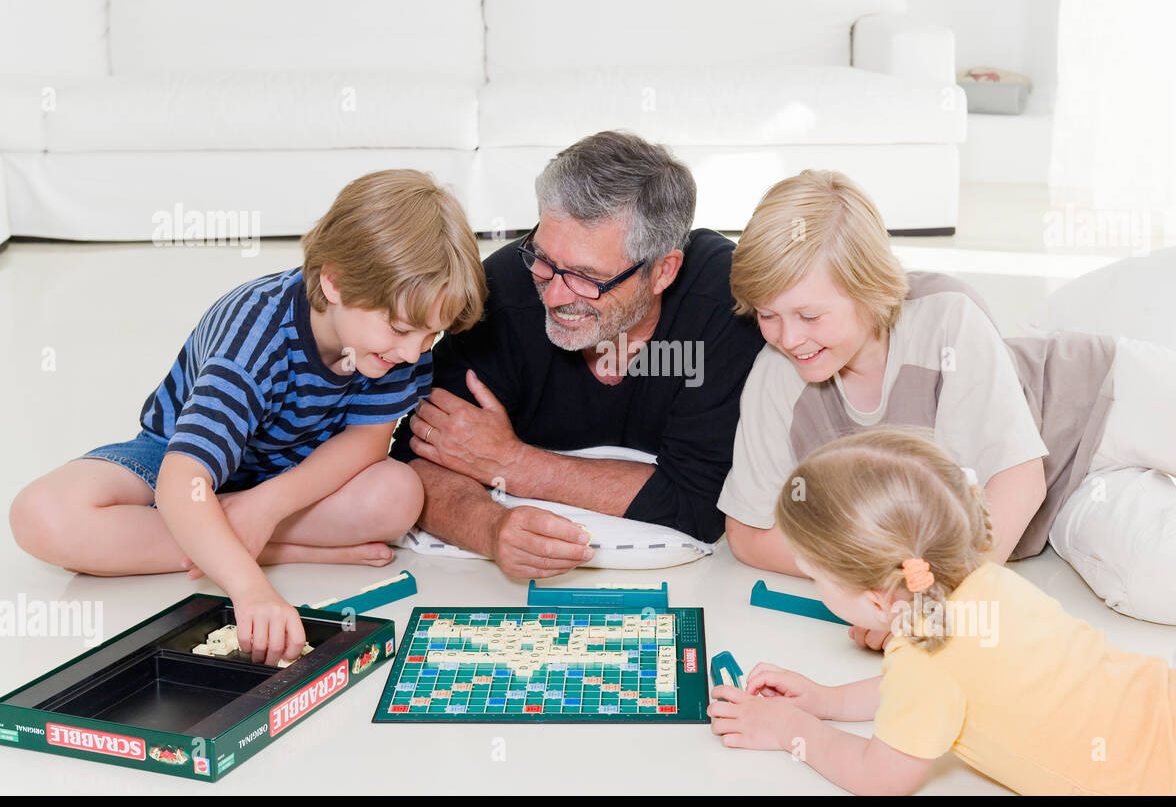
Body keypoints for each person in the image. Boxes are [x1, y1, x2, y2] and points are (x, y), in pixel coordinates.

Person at [718, 169, 1176, 640]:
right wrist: (880, 590)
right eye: (768, 315)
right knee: (1170, 584)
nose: (788, 337)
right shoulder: (777, 379)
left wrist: (934, 602)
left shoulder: (945, 314)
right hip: (1059, 500)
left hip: (1108, 397)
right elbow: (747, 534)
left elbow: (1016, 479)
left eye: (809, 315)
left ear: (867, 288)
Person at [9, 169, 487, 666]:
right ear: (335, 282)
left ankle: (227, 533)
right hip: (177, 464)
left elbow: (367, 442)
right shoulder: (254, 336)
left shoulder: (392, 345)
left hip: (290, 477)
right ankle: (272, 547)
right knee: (41, 515)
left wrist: (264, 507)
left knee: (399, 494)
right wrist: (249, 586)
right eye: (402, 329)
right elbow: (183, 478)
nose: (413, 353)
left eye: (430, 337)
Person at [708, 427, 1176, 795]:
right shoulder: (981, 583)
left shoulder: (927, 661)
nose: (811, 584)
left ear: (875, 598)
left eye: (815, 577)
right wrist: (830, 700)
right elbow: (935, 691)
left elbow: (879, 776)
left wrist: (793, 731)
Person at [393, 131, 765, 578]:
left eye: (588, 277)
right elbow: (416, 459)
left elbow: (700, 505)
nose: (552, 296)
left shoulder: (725, 304)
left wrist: (512, 462)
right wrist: (491, 528)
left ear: (663, 271)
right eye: (544, 260)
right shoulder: (506, 291)